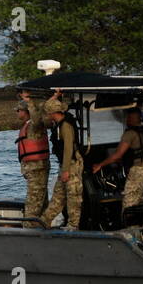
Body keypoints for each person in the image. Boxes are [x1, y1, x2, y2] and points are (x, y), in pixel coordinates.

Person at [92, 105, 143, 209]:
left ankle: (129, 224)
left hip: (138, 172)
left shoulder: (130, 133)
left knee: (129, 205)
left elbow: (117, 155)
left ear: (129, 118)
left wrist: (100, 165)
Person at [40, 95, 85, 230]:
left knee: (73, 196)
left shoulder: (65, 126)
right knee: (58, 196)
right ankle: (44, 221)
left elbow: (68, 149)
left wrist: (66, 170)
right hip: (65, 165)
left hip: (71, 165)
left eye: (49, 113)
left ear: (53, 113)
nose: (47, 115)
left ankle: (73, 225)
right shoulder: (58, 125)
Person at [15, 92, 51, 227]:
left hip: (38, 169)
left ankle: (29, 229)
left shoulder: (35, 125)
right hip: (33, 170)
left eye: (19, 111)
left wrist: (29, 101)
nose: (17, 113)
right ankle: (43, 227)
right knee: (41, 201)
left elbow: (36, 117)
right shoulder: (27, 126)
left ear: (26, 111)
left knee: (33, 204)